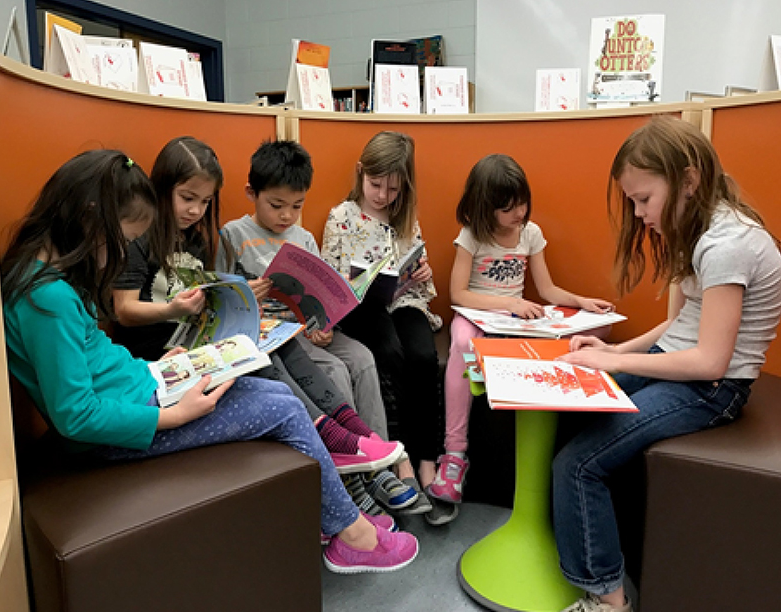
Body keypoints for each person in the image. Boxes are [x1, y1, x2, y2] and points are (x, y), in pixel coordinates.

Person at [0, 149, 419, 575]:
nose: (118, 254)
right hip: (124, 427)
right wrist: (175, 416)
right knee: (285, 408)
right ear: (91, 219)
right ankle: (352, 536)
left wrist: (155, 368)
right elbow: (76, 416)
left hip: (144, 390)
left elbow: (95, 358)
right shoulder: (47, 299)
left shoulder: (48, 279)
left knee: (272, 388)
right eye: (120, 242)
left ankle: (335, 514)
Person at [553, 116, 781, 612]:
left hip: (713, 388)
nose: (638, 214)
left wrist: (616, 364)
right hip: (683, 363)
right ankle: (606, 548)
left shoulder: (728, 244)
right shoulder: (702, 231)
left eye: (643, 199)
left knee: (576, 465)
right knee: (571, 402)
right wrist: (615, 352)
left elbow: (710, 360)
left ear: (688, 180)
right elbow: (680, 328)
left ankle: (607, 600)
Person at [111, 137, 406, 502]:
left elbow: (207, 297)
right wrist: (184, 307)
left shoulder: (194, 238)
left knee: (289, 350)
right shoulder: (142, 239)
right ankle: (336, 439)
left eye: (204, 202)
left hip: (200, 334)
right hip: (162, 351)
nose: (196, 210)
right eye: (188, 198)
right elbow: (123, 311)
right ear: (162, 189)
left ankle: (357, 435)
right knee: (266, 357)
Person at [217, 139, 430, 516]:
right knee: (334, 370)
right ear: (253, 194)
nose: (287, 216)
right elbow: (221, 301)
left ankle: (378, 463)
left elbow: (318, 294)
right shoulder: (233, 235)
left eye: (297, 207)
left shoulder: (302, 238)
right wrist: (246, 292)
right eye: (277, 206)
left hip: (305, 331)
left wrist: (325, 324)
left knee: (362, 357)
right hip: (270, 336)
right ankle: (352, 474)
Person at [436, 154, 613, 507]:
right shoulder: (471, 236)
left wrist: (581, 301)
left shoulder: (530, 234)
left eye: (522, 203)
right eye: (507, 208)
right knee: (461, 342)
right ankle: (454, 455)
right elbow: (459, 294)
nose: (518, 213)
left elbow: (547, 290)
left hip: (514, 321)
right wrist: (508, 304)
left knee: (599, 332)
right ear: (485, 208)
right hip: (478, 315)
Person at [321, 131, 450, 525]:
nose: (381, 195)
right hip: (362, 309)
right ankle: (400, 460)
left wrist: (422, 273)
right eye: (375, 185)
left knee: (424, 356)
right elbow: (330, 278)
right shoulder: (341, 217)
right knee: (390, 352)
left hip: (404, 301)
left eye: (392, 189)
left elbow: (422, 284)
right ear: (361, 173)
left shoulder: (405, 218)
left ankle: (429, 460)